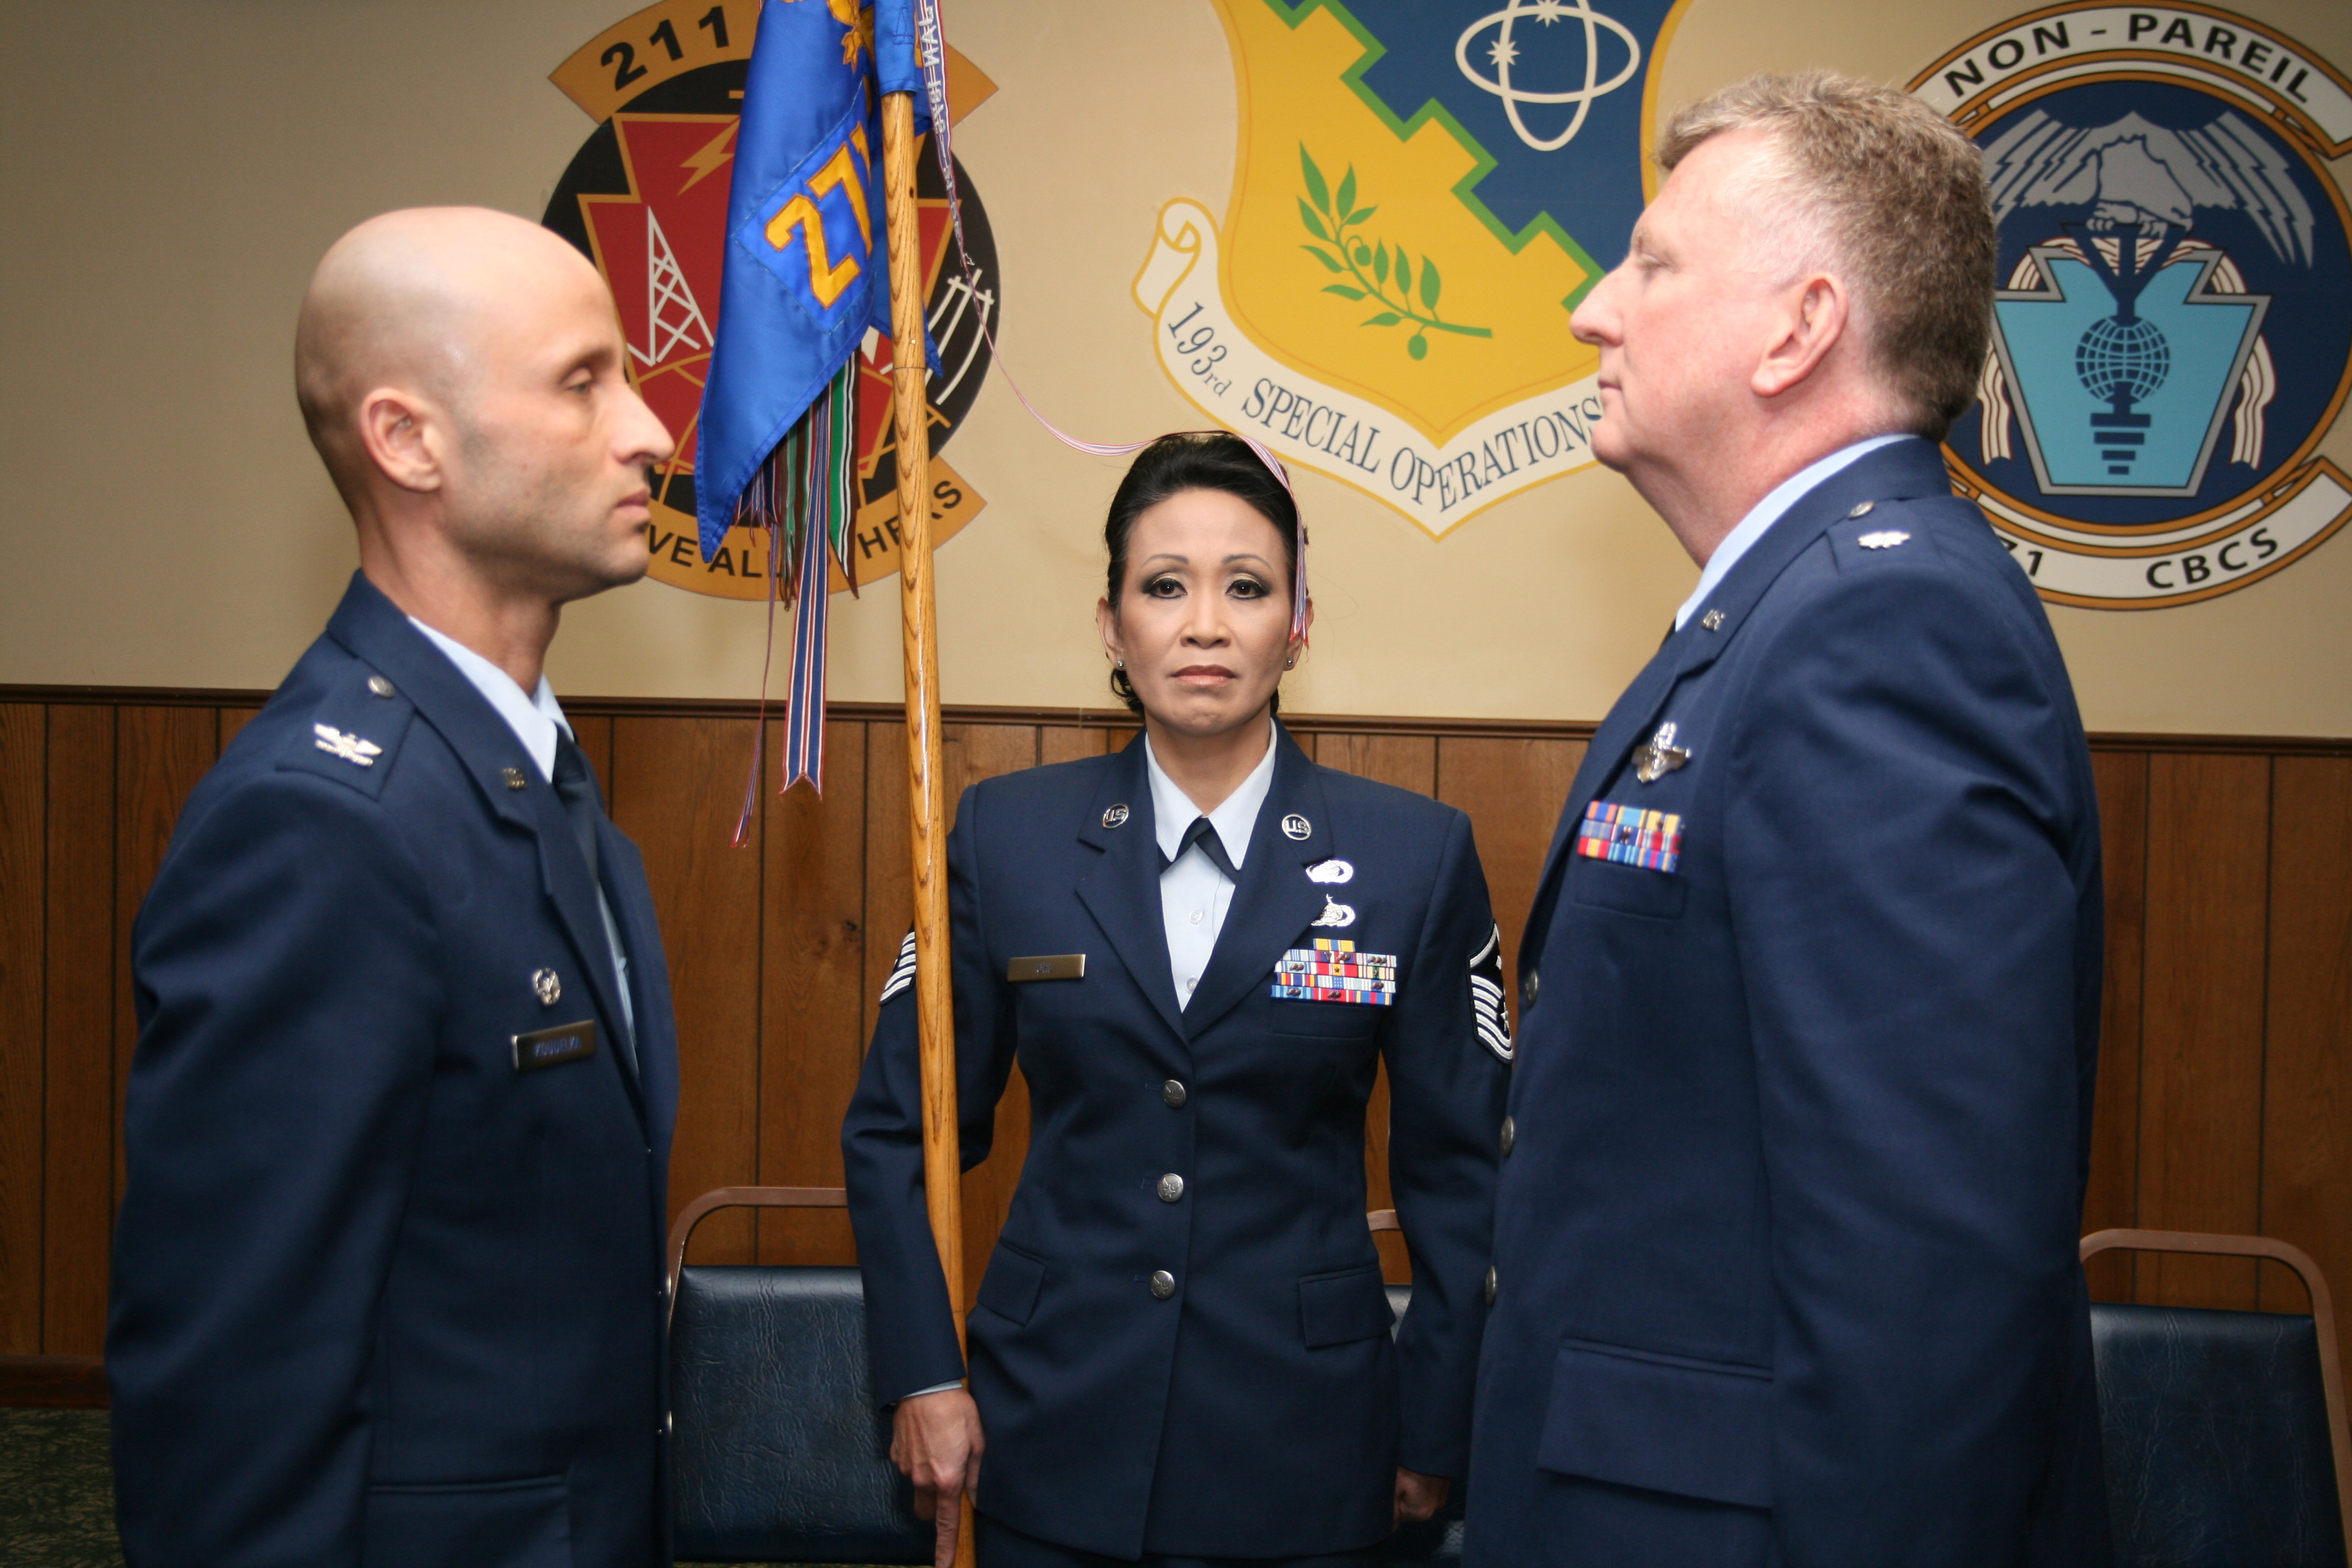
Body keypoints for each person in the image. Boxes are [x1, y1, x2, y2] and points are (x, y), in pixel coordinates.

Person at [1463, 74, 2111, 1566]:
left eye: (1652, 263)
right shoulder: (1785, 612)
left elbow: (1927, 1281)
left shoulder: (1877, 625)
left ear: (1799, 327)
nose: (1590, 308)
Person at [108, 207, 681, 1567]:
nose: (651, 430)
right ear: (407, 440)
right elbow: (234, 1393)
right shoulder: (318, 824)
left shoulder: (528, 773)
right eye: (583, 381)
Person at [843, 433, 1511, 1568]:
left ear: (1298, 622)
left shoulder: (1416, 856)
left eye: (1247, 588)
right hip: (1042, 1431)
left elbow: (1464, 1175)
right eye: (1164, 586)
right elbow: (898, 1131)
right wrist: (922, 1371)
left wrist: (1437, 1420)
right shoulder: (1005, 839)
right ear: (1111, 624)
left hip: (1309, 1447)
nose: (1205, 623)